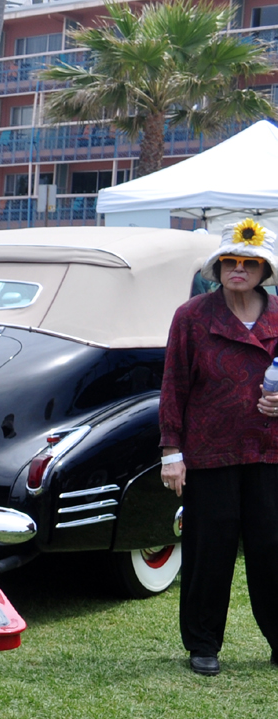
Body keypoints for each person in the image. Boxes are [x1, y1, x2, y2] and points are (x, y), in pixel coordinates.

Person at [159, 219, 278, 676]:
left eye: (249, 262)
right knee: (210, 550)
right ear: (219, 267)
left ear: (264, 270)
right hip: (209, 453)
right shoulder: (191, 316)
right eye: (230, 261)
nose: (238, 268)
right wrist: (171, 452)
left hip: (270, 452)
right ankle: (203, 643)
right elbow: (173, 386)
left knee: (273, 549)